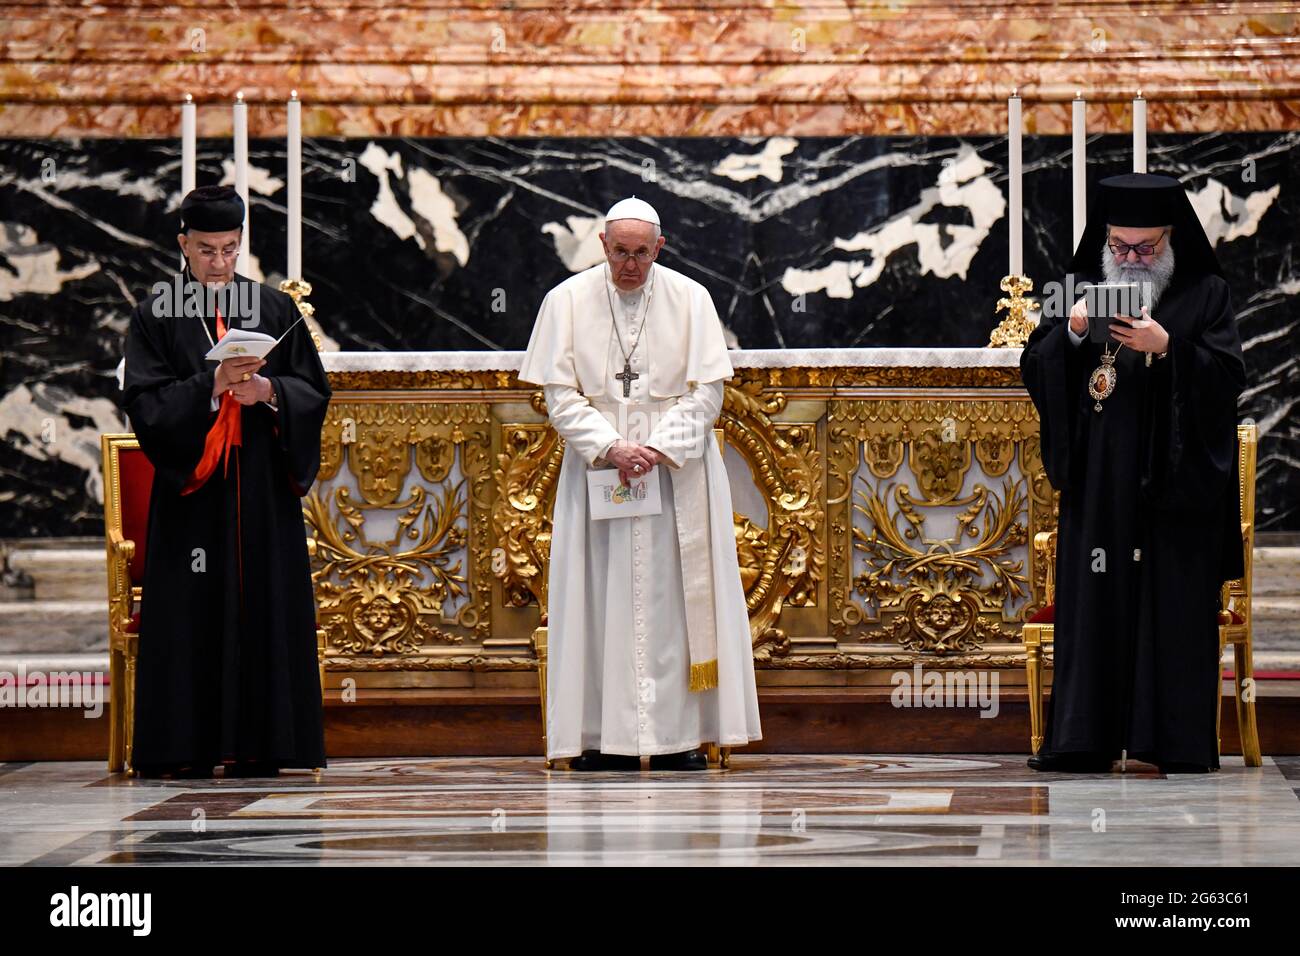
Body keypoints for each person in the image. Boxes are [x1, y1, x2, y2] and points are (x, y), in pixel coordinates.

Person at [518, 196, 762, 771]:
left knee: (673, 604)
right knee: (597, 601)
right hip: (599, 472)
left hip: (675, 478)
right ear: (602, 246)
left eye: (642, 254)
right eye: (621, 252)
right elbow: (558, 394)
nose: (631, 265)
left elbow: (709, 393)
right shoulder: (566, 300)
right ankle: (602, 738)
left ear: (661, 247)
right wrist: (611, 446)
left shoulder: (691, 298)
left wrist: (654, 448)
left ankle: (678, 738)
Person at [1020, 173, 1246, 774]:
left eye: (1144, 249)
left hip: (1173, 486)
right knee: (1095, 602)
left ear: (1170, 240)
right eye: (1119, 246)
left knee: (1166, 609)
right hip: (1100, 485)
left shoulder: (1206, 291)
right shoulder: (1076, 288)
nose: (1130, 259)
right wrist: (1069, 331)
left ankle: (1169, 742)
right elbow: (1035, 365)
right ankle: (1084, 741)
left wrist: (1167, 347)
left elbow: (1227, 381)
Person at [121, 185, 330, 778]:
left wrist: (270, 393)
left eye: (230, 250)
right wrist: (209, 389)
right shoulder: (154, 313)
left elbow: (314, 390)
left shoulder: (273, 308)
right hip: (195, 492)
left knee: (266, 600)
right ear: (183, 244)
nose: (219, 262)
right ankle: (186, 745)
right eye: (207, 250)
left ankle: (271, 743)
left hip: (261, 485)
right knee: (194, 611)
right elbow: (143, 401)